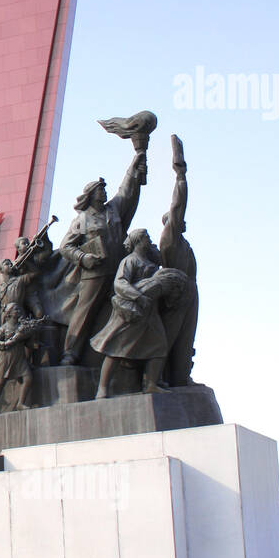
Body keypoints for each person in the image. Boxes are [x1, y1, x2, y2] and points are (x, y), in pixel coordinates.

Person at [56, 149, 147, 364]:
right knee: (85, 312)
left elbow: (126, 190)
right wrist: (83, 258)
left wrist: (137, 159)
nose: (104, 193)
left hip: (118, 270)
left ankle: (123, 356)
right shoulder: (83, 219)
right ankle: (70, 352)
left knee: (120, 311)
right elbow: (65, 247)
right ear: (91, 194)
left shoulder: (113, 209)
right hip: (94, 272)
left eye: (105, 190)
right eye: (100, 190)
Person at [90, 229, 190, 399]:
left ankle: (150, 384)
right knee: (116, 348)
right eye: (146, 238)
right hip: (131, 311)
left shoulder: (151, 263)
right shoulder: (130, 260)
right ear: (138, 241)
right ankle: (103, 389)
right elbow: (120, 283)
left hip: (150, 313)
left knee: (160, 347)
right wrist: (138, 296)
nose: (149, 241)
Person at [159, 134, 198, 386]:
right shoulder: (170, 239)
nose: (182, 220)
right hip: (176, 294)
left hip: (191, 292)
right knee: (170, 338)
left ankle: (181, 377)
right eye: (176, 220)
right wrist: (180, 176)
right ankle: (157, 377)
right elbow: (177, 207)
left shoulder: (183, 243)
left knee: (186, 340)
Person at [0, 304, 37, 415]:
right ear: (9, 313)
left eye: (18, 308)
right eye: (15, 309)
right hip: (6, 358)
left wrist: (31, 336)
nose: (18, 310)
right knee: (0, 382)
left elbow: (28, 344)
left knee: (28, 377)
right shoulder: (4, 328)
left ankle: (21, 403)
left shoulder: (22, 327)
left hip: (19, 357)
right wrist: (6, 343)